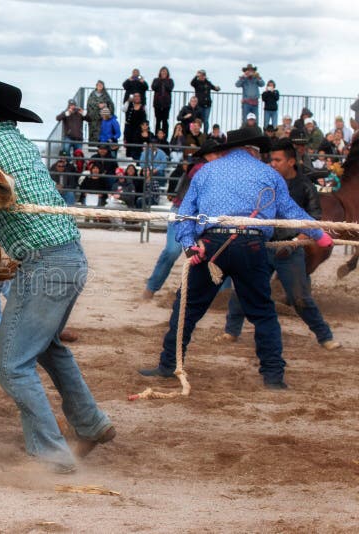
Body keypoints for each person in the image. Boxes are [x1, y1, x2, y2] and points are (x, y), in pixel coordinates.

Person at [0, 79, 114, 473]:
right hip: (69, 258)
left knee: (11, 364)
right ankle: (91, 422)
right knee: (47, 347)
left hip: (45, 263)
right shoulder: (17, 143)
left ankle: (51, 454)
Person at [137, 129, 334, 390]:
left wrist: (188, 246)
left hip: (211, 246)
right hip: (251, 245)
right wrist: (319, 235)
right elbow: (290, 211)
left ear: (227, 150)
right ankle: (273, 376)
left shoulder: (205, 171)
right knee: (263, 313)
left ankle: (168, 364)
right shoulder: (268, 174)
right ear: (254, 151)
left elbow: (185, 215)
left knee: (186, 308)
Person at [215, 138, 341, 351]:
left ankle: (324, 336)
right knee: (243, 289)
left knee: (300, 297)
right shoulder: (265, 182)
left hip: (290, 250)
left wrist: (296, 242)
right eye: (271, 159)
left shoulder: (304, 187)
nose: (272, 163)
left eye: (277, 159)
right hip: (262, 246)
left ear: (291, 162)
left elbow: (314, 219)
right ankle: (231, 331)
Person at [142, 140, 222, 299]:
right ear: (209, 154)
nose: (220, 156)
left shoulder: (203, 167)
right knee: (176, 251)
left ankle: (152, 289)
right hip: (184, 213)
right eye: (217, 153)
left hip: (195, 214)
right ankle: (152, 287)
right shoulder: (202, 168)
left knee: (183, 252)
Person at [85, 81, 114, 147]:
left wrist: (105, 105)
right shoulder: (92, 94)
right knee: (93, 133)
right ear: (96, 86)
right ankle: (92, 147)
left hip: (102, 118)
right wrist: (98, 105)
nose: (100, 86)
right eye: (98, 85)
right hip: (93, 118)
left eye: (101, 85)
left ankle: (101, 148)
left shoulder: (106, 95)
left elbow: (111, 104)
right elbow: (89, 104)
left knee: (102, 133)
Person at [189, 69, 220, 133]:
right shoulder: (196, 82)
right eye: (201, 75)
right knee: (197, 120)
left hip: (207, 105)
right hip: (199, 105)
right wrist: (196, 76)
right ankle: (195, 132)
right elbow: (192, 83)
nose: (202, 77)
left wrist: (217, 88)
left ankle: (205, 134)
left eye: (203, 75)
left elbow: (214, 88)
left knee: (205, 121)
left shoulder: (208, 83)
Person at [151, 66, 174, 136]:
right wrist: (160, 80)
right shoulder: (156, 80)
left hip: (166, 104)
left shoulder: (170, 81)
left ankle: (165, 136)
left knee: (165, 121)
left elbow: (170, 88)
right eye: (162, 71)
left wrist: (165, 81)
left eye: (165, 72)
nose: (163, 73)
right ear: (160, 72)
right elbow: (153, 87)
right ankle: (156, 136)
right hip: (157, 103)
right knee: (158, 121)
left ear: (167, 73)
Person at [123, 93, 147, 159]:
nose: (136, 98)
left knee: (137, 147)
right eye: (135, 96)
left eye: (138, 96)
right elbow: (123, 109)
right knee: (129, 146)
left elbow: (145, 119)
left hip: (138, 130)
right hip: (129, 129)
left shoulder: (143, 107)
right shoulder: (129, 105)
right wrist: (128, 101)